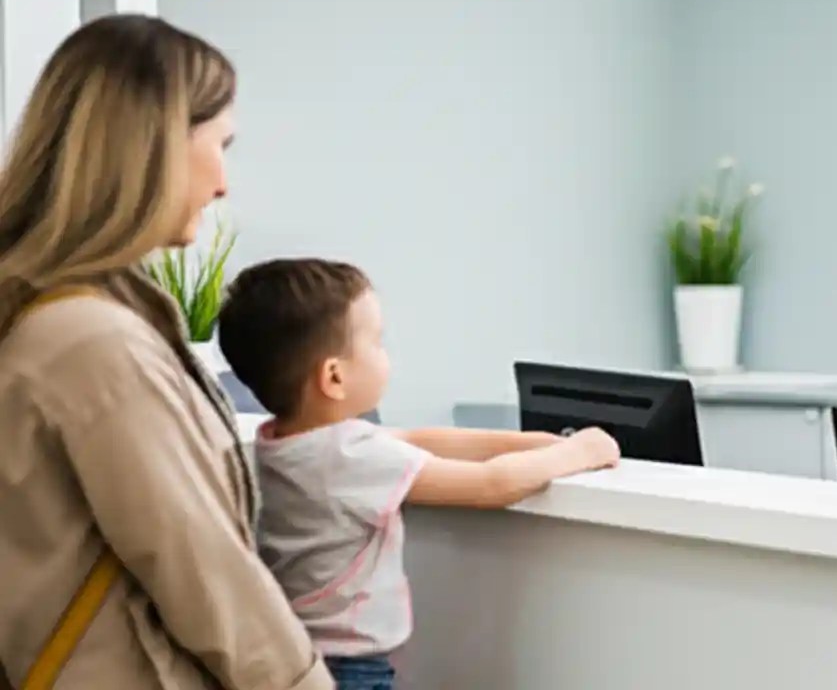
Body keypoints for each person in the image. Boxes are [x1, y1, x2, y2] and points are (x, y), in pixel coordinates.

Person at [0, 16, 335, 688]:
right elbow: (204, 571)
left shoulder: (51, 317)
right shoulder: (94, 343)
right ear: (152, 147)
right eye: (221, 145)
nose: (222, 184)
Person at [214, 257, 621, 689]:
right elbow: (492, 485)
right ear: (334, 376)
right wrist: (580, 451)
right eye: (377, 342)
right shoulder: (352, 458)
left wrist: (537, 442)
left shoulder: (281, 443)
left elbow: (416, 439)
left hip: (296, 659)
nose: (386, 354)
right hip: (348, 670)